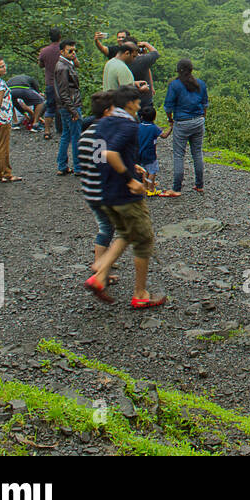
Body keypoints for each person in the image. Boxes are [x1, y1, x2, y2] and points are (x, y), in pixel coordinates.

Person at [84, 85, 166, 309]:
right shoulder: (129, 126)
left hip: (105, 193)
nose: (139, 106)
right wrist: (129, 178)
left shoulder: (103, 123)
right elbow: (110, 153)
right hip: (125, 194)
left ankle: (99, 275)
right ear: (129, 104)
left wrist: (131, 166)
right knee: (144, 239)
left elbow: (101, 154)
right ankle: (140, 293)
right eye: (137, 102)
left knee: (126, 233)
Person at [78, 90, 118, 279]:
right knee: (109, 228)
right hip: (102, 191)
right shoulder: (102, 134)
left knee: (105, 226)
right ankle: (101, 266)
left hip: (89, 189)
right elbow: (102, 163)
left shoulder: (85, 134)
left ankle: (103, 265)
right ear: (107, 111)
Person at [163, 57, 208, 196]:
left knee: (178, 155)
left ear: (178, 70)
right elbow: (205, 104)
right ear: (191, 70)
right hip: (198, 121)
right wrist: (202, 117)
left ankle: (176, 188)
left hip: (182, 122)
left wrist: (171, 120)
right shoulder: (200, 84)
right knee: (197, 153)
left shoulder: (175, 85)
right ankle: (199, 185)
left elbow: (168, 107)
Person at [96, 32, 159, 111]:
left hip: (109, 106)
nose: (134, 59)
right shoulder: (123, 68)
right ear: (127, 53)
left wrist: (134, 83)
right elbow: (127, 95)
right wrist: (141, 90)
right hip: (121, 109)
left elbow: (117, 86)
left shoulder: (110, 63)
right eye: (133, 56)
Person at [54, 39, 83, 175]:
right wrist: (73, 111)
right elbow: (63, 92)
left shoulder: (65, 64)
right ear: (62, 52)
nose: (73, 53)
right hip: (70, 105)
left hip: (66, 105)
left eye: (74, 51)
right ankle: (78, 167)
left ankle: (62, 165)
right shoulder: (63, 67)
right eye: (70, 51)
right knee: (76, 136)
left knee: (66, 135)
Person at [137, 105, 169, 194]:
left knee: (144, 170)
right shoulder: (153, 128)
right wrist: (171, 127)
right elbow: (164, 136)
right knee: (152, 171)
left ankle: (145, 187)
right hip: (150, 154)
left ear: (142, 116)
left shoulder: (138, 126)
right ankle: (151, 189)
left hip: (140, 153)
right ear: (154, 117)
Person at [37, 28, 62, 141]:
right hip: (63, 82)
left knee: (50, 107)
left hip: (50, 83)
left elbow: (40, 65)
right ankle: (63, 129)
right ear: (60, 36)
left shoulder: (44, 51)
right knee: (64, 106)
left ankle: (47, 131)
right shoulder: (64, 50)